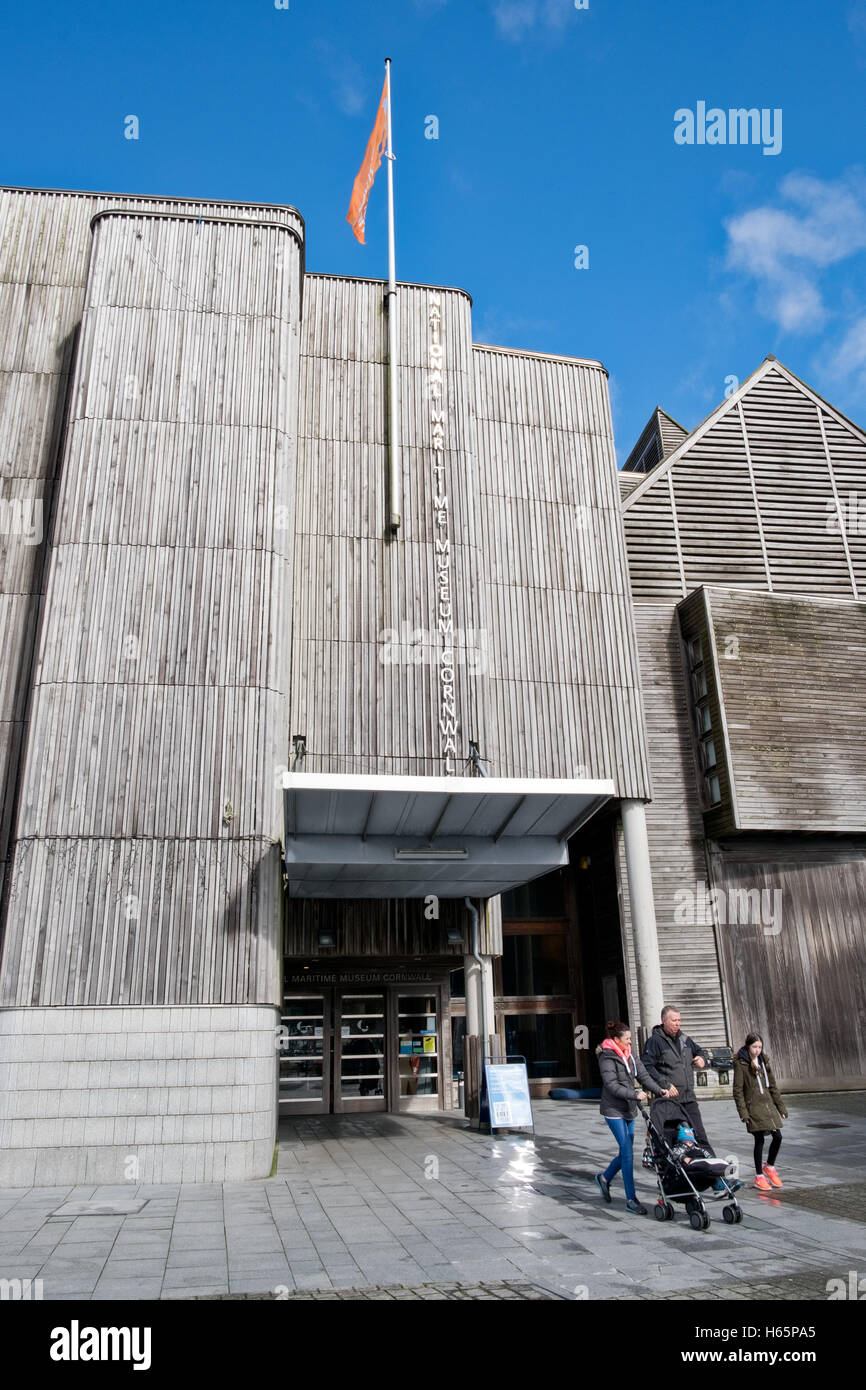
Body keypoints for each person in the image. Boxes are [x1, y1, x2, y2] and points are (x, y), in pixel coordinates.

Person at [595, 1020, 670, 1215]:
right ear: (616, 1040)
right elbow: (611, 1085)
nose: (630, 1043)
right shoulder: (606, 1056)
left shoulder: (629, 1054)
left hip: (629, 1109)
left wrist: (659, 1090)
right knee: (627, 1151)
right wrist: (634, 1094)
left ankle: (604, 1178)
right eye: (627, 1040)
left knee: (625, 1152)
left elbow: (643, 1075)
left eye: (630, 1040)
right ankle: (631, 1199)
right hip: (613, 1110)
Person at [641, 1004, 713, 1151]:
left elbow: (700, 1050)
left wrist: (702, 1058)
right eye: (674, 1020)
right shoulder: (655, 1041)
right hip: (669, 1101)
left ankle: (711, 1169)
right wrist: (664, 1084)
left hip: (689, 1098)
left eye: (679, 1020)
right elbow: (647, 1066)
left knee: (700, 1137)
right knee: (670, 1140)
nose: (678, 1023)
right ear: (664, 1021)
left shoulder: (684, 1039)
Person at [733, 1032, 787, 1190]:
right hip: (753, 1108)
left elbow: (773, 1086)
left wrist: (780, 1107)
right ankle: (759, 1176)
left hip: (768, 1105)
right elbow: (738, 1091)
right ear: (748, 1046)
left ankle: (769, 1166)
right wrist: (744, 1113)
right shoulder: (741, 1064)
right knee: (759, 1140)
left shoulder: (764, 1061)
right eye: (754, 1047)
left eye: (760, 1047)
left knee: (778, 1136)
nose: (757, 1050)